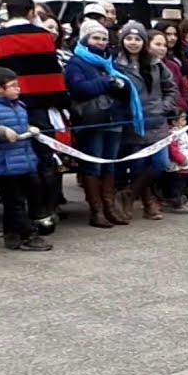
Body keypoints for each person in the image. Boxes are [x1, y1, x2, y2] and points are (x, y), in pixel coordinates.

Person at [0, 0, 70, 234]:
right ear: (31, 11)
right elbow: (53, 74)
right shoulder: (42, 36)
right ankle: (43, 214)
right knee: (43, 159)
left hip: (4, 107)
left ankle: (21, 220)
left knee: (11, 161)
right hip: (40, 107)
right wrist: (61, 102)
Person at [64, 20, 135, 227]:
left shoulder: (109, 61)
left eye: (104, 38)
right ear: (85, 39)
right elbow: (79, 88)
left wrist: (122, 87)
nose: (101, 42)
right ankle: (96, 211)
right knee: (93, 165)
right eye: (96, 38)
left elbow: (124, 88)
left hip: (114, 118)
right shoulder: (76, 62)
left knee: (110, 165)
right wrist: (107, 82)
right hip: (92, 121)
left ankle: (109, 206)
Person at [0, 67, 51, 251]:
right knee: (14, 201)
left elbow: (18, 125)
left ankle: (11, 234)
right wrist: (1, 131)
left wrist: (30, 128)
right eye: (13, 86)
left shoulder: (19, 105)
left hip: (24, 161)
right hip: (3, 165)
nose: (18, 89)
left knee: (19, 200)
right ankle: (29, 235)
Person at [114, 24, 177, 221]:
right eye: (129, 39)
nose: (133, 43)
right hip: (134, 124)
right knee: (138, 166)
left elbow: (170, 88)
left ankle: (129, 194)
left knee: (161, 163)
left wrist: (164, 106)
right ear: (123, 40)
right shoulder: (116, 64)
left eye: (138, 39)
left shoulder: (156, 64)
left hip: (158, 122)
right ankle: (148, 202)